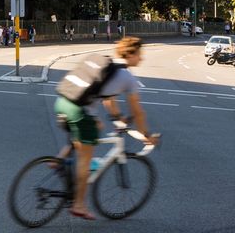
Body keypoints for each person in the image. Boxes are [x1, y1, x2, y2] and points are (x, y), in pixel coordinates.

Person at [54, 37, 158, 221]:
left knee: (94, 127)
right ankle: (79, 205)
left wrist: (117, 117)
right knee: (86, 158)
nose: (141, 59)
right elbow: (138, 111)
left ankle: (59, 160)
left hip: (62, 102)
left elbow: (109, 99)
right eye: (139, 55)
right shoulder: (127, 77)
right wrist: (146, 135)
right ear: (130, 54)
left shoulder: (107, 66)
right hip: (79, 111)